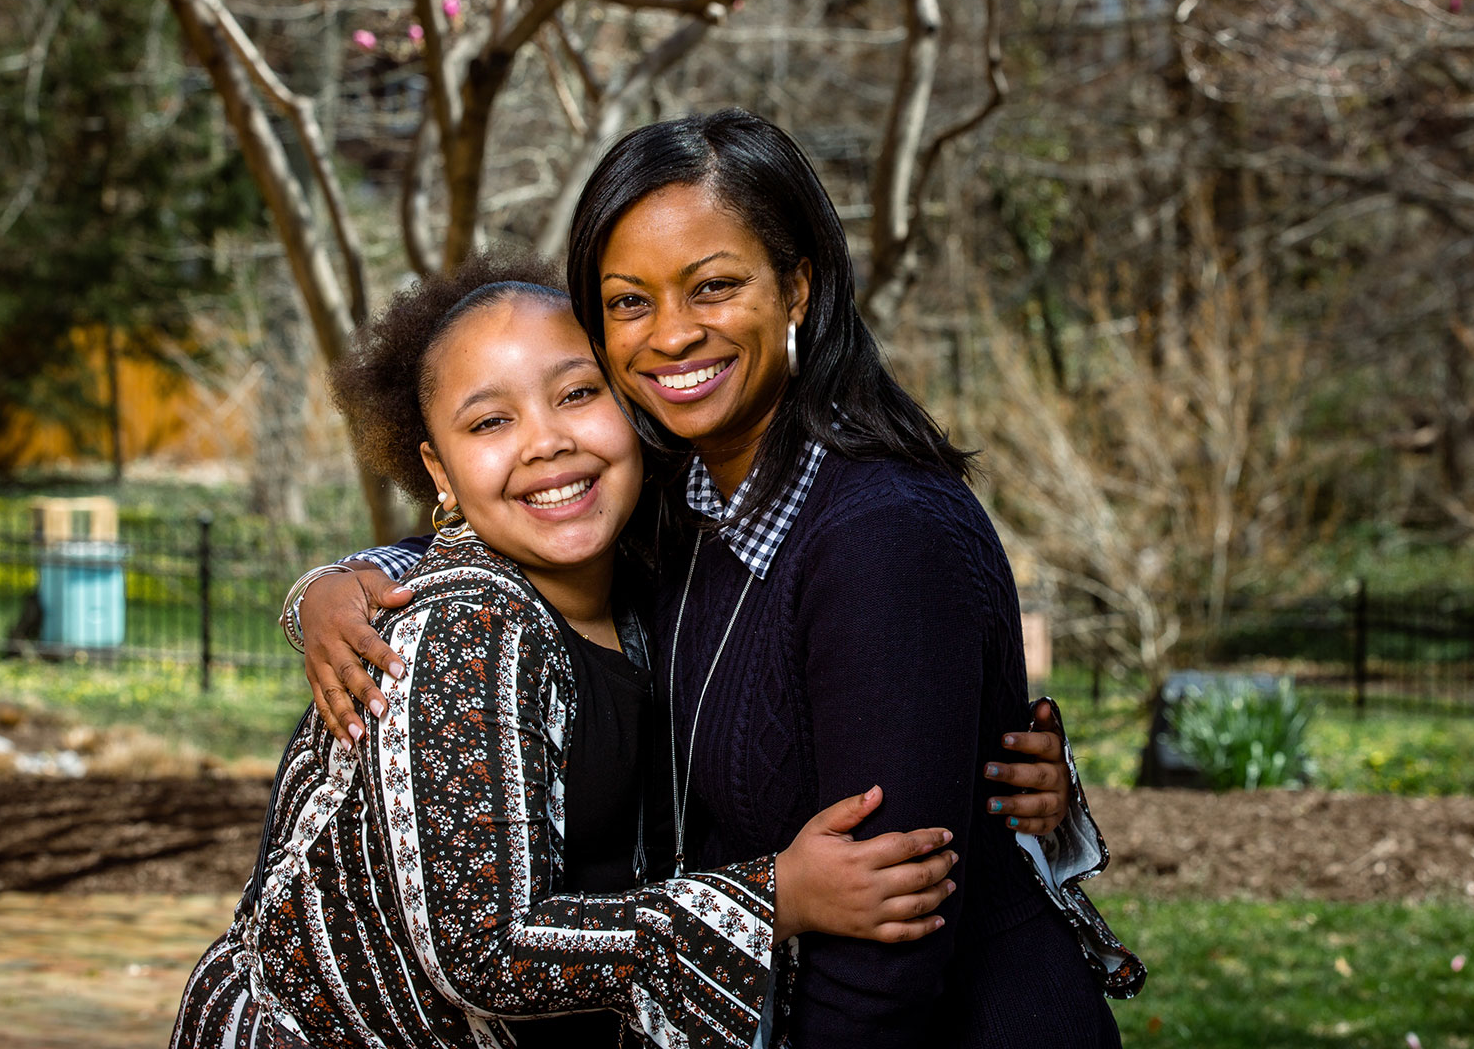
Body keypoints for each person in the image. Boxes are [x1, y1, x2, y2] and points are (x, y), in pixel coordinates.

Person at [301, 109, 1144, 1045]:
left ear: (796, 287)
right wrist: (335, 589)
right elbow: (512, 534)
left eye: (714, 287)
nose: (672, 335)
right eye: (628, 302)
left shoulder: (884, 539)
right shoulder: (680, 504)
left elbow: (887, 959)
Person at [172, 262, 962, 1049]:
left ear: (633, 407)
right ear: (440, 473)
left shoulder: (652, 584)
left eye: (578, 394)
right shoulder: (466, 632)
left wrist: (1008, 763)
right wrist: (774, 898)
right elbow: (482, 950)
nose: (547, 441)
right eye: (490, 423)